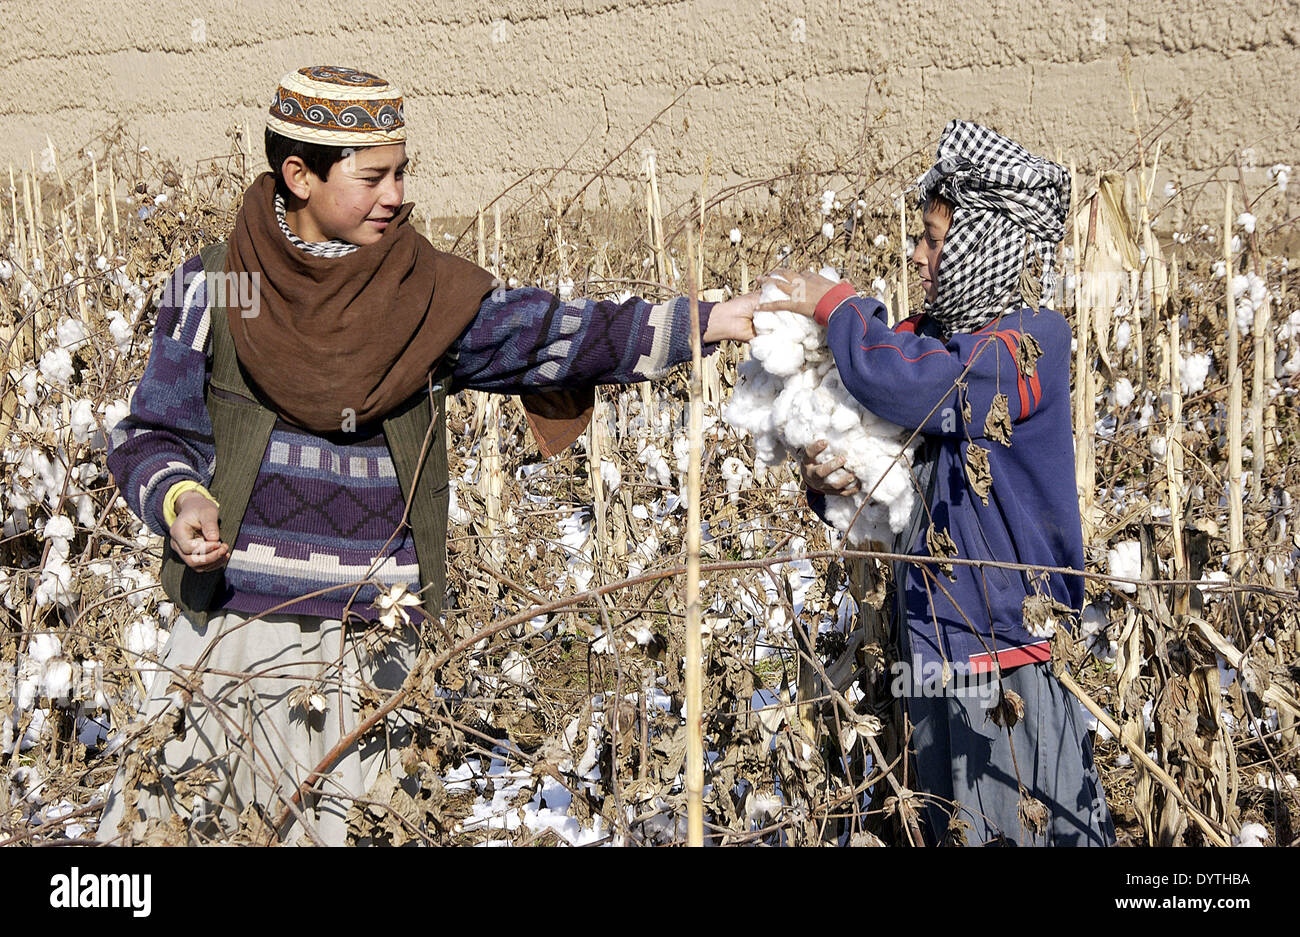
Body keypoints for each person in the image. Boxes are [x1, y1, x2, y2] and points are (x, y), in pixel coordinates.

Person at [98, 65, 756, 845]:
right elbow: (150, 433)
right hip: (236, 631)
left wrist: (708, 321)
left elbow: (560, 335)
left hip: (376, 642)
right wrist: (180, 500)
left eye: (403, 171)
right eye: (374, 175)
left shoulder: (425, 299)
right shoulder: (216, 289)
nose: (397, 194)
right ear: (299, 175)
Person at [761, 120, 1113, 846]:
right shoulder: (938, 338)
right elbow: (888, 467)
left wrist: (837, 306)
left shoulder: (1027, 345)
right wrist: (834, 481)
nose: (918, 257)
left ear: (985, 245)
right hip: (929, 653)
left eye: (931, 238)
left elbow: (922, 384)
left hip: (1009, 661)